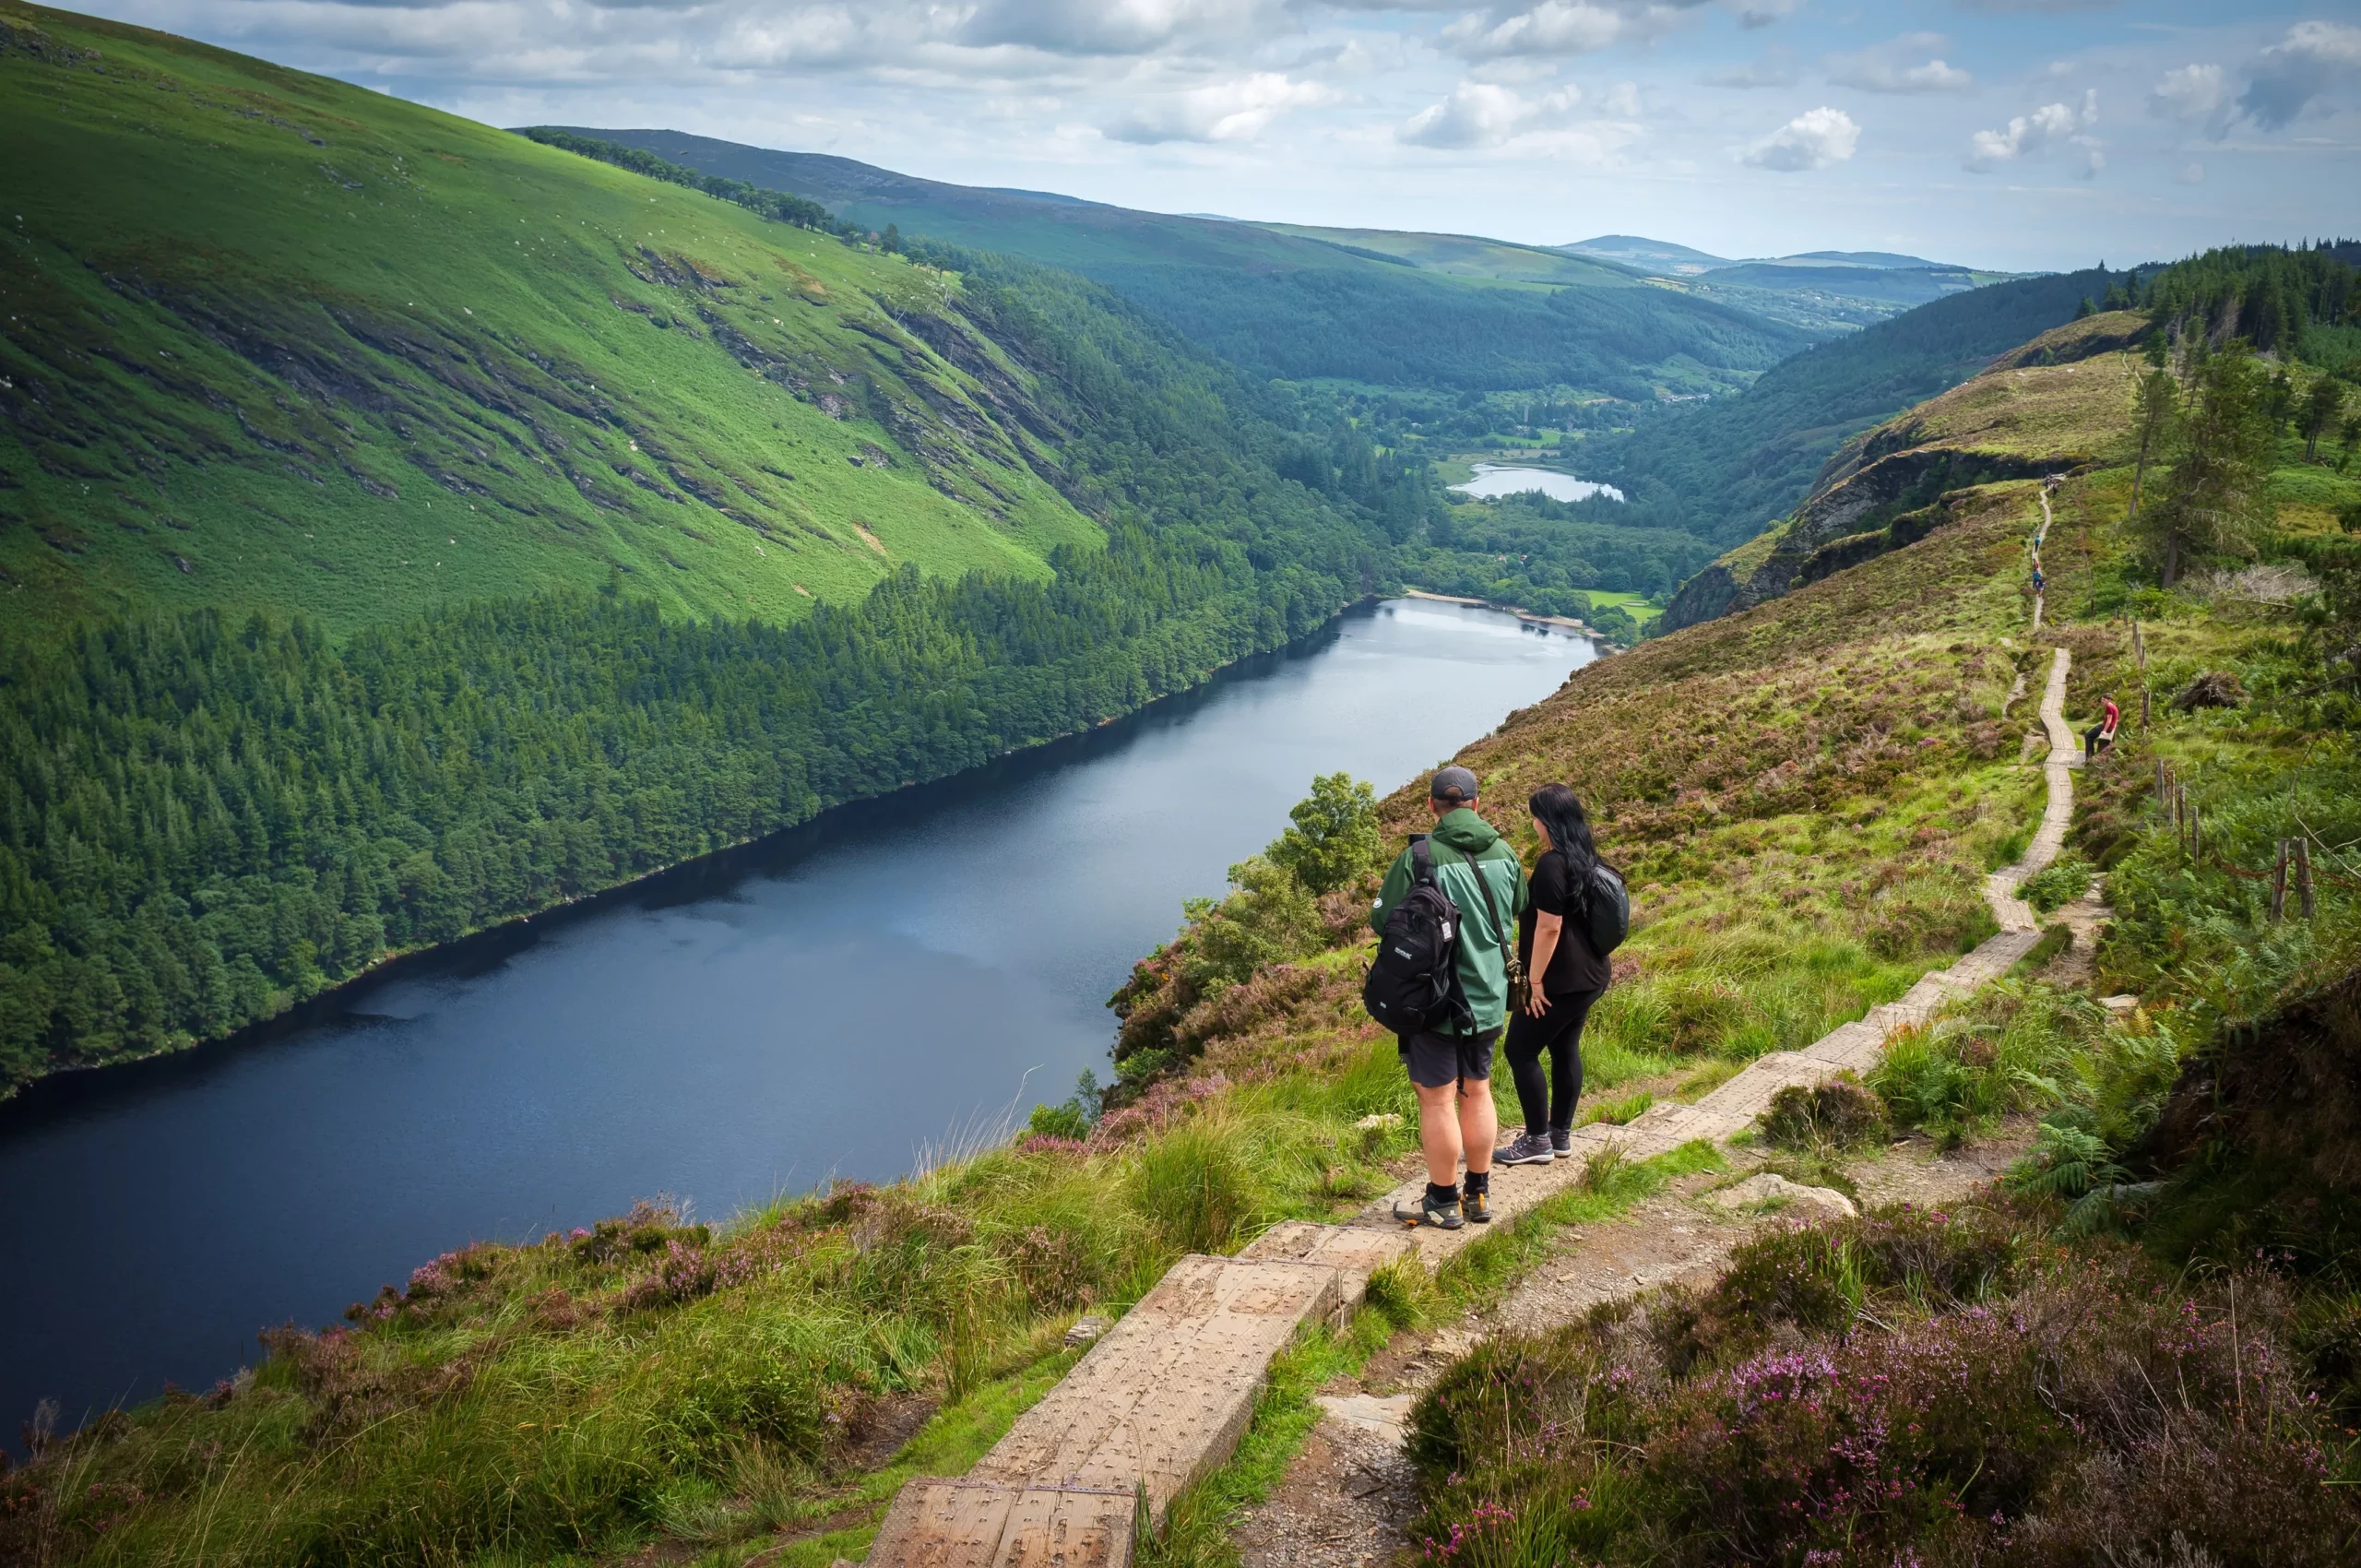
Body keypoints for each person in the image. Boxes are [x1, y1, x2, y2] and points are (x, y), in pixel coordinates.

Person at [1371, 766, 1526, 1229]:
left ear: (1432, 806)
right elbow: (1517, 906)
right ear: (1478, 803)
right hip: (1489, 998)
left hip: (1435, 1002)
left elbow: (1383, 923)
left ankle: (1441, 1200)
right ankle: (1477, 1195)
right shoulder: (1505, 852)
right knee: (1477, 1090)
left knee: (1437, 1101)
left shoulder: (1420, 857)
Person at [1493, 784, 1613, 1167]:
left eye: (1534, 816)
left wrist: (1536, 981)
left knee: (1520, 1050)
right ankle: (1559, 1134)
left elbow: (1549, 927)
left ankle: (1537, 1140)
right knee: (1564, 1048)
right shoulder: (1587, 858)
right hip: (1591, 974)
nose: (1532, 823)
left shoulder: (1551, 863)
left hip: (1560, 981)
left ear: (1545, 820)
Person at [2083, 695, 2119, 760]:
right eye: (2102, 699)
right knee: (2089, 735)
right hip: (2108, 726)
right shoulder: (2112, 705)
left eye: (2104, 700)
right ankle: (2090, 755)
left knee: (2088, 736)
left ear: (2109, 700)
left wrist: (2104, 731)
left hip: (2107, 728)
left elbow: (2109, 720)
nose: (2102, 701)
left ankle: (2089, 757)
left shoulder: (2109, 707)